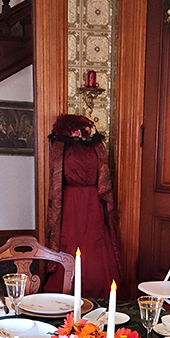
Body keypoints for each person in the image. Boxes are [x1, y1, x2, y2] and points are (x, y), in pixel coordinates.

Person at [45, 114, 122, 298]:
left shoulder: (64, 145)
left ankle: (77, 290)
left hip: (81, 200)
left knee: (89, 240)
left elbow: (56, 176)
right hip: (78, 201)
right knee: (79, 241)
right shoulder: (89, 146)